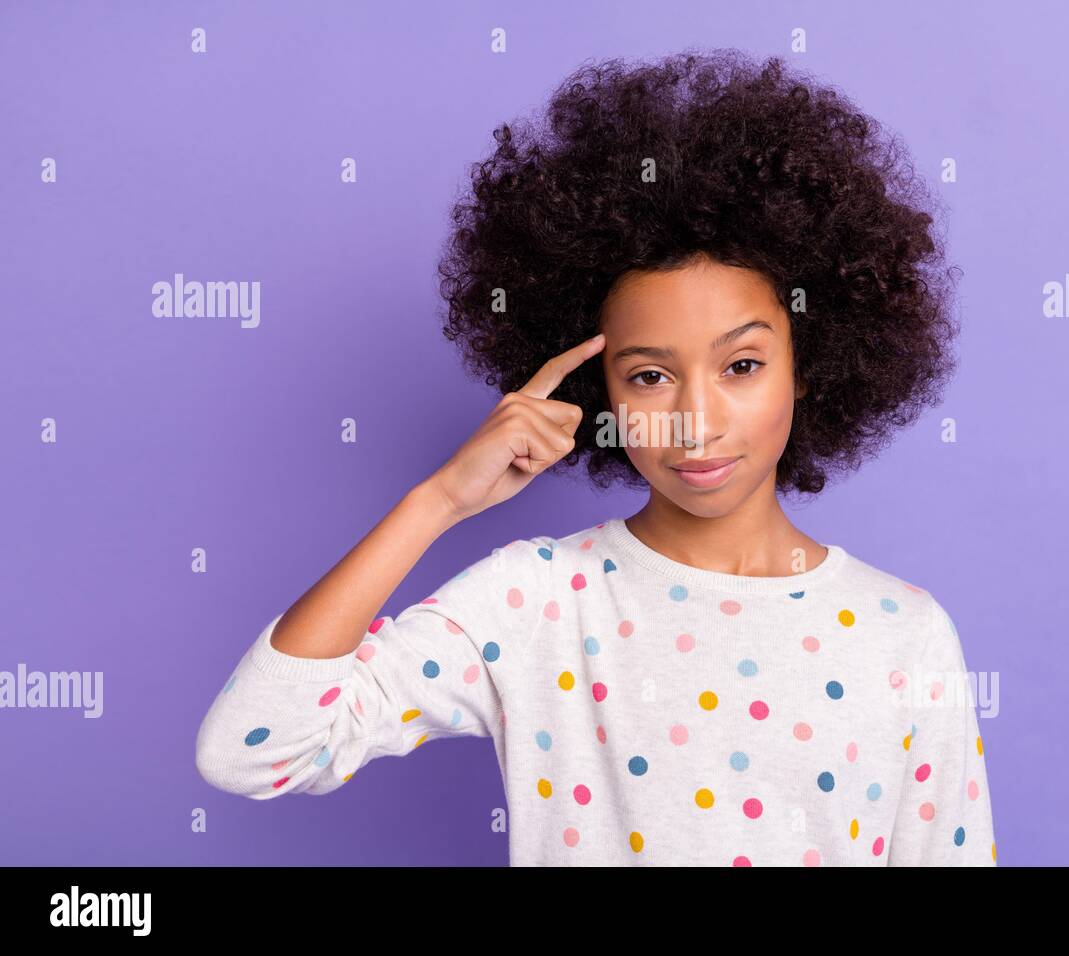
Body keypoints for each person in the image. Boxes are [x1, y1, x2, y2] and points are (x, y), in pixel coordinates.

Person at [195, 49, 996, 866]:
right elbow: (255, 750)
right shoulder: (536, 602)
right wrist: (438, 501)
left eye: (742, 366)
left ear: (812, 362)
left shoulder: (905, 634)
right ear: (596, 391)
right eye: (650, 376)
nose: (694, 421)